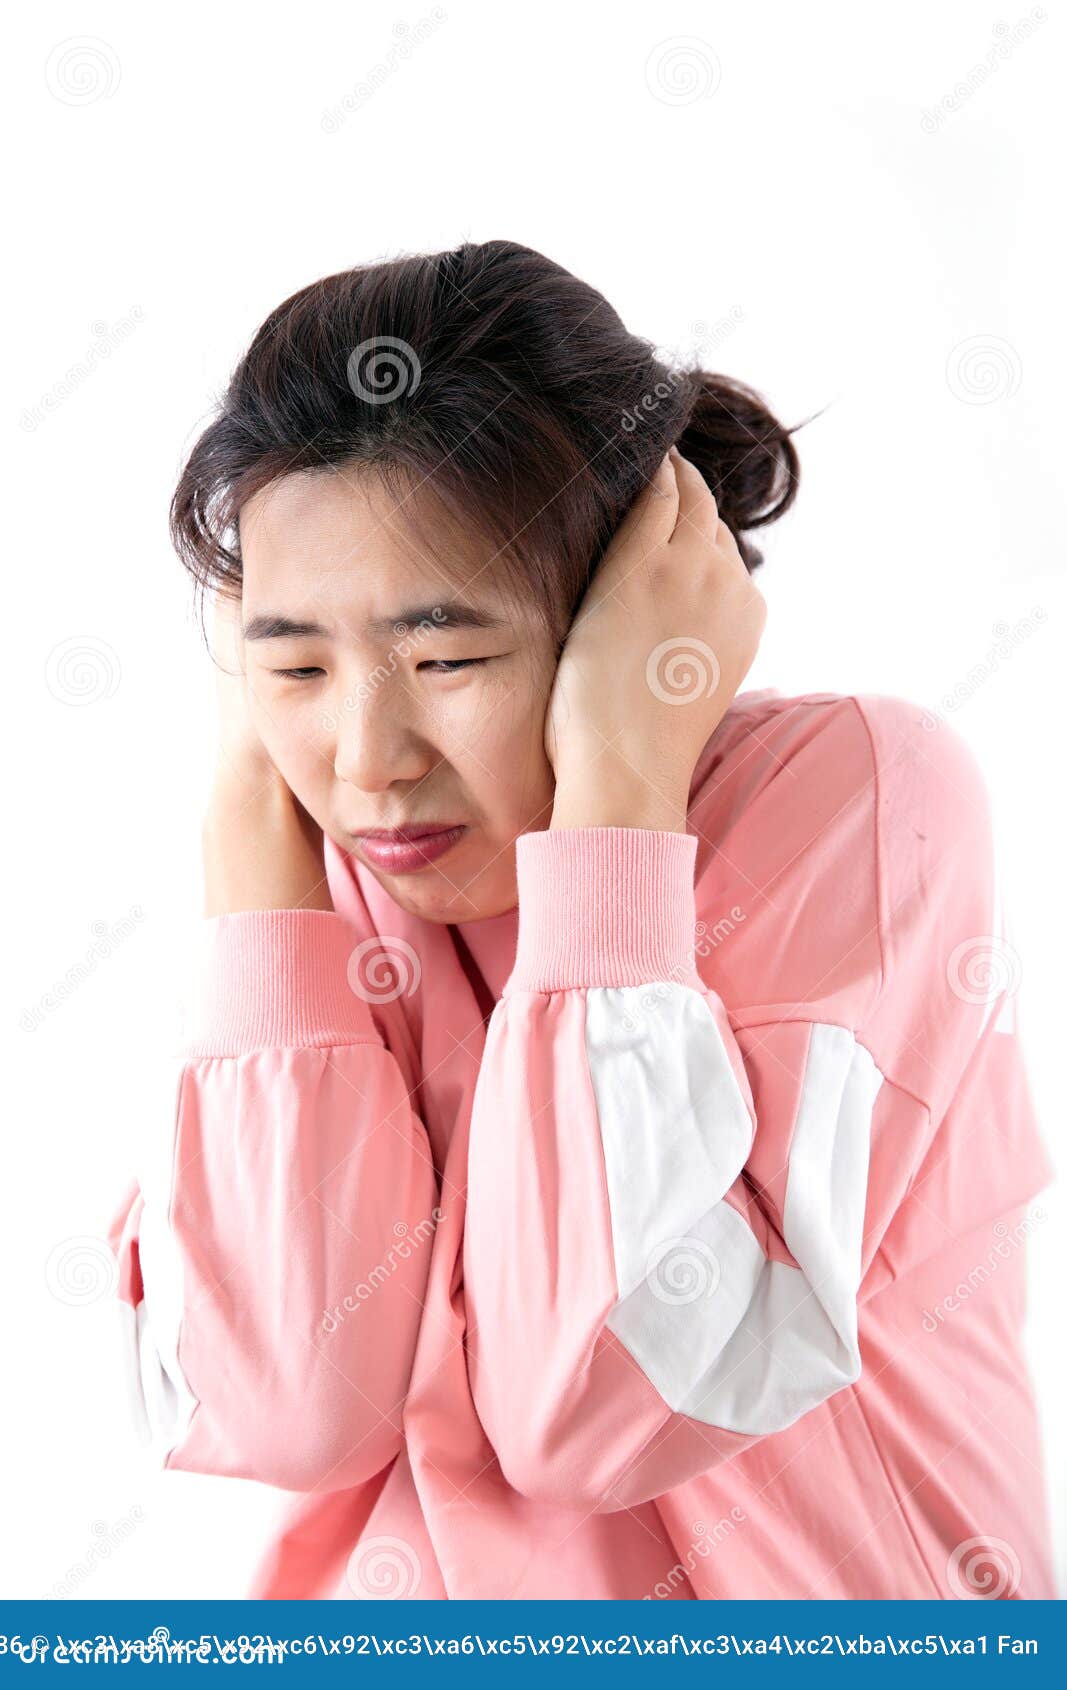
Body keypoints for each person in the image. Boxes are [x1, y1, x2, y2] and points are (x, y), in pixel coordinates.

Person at [106, 240, 1056, 1600]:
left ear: (617, 612)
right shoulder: (314, 887)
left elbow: (598, 1407)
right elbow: (284, 1410)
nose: (368, 761)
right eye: (296, 667)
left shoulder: (855, 795)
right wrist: (244, 827)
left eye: (447, 657)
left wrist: (616, 793)